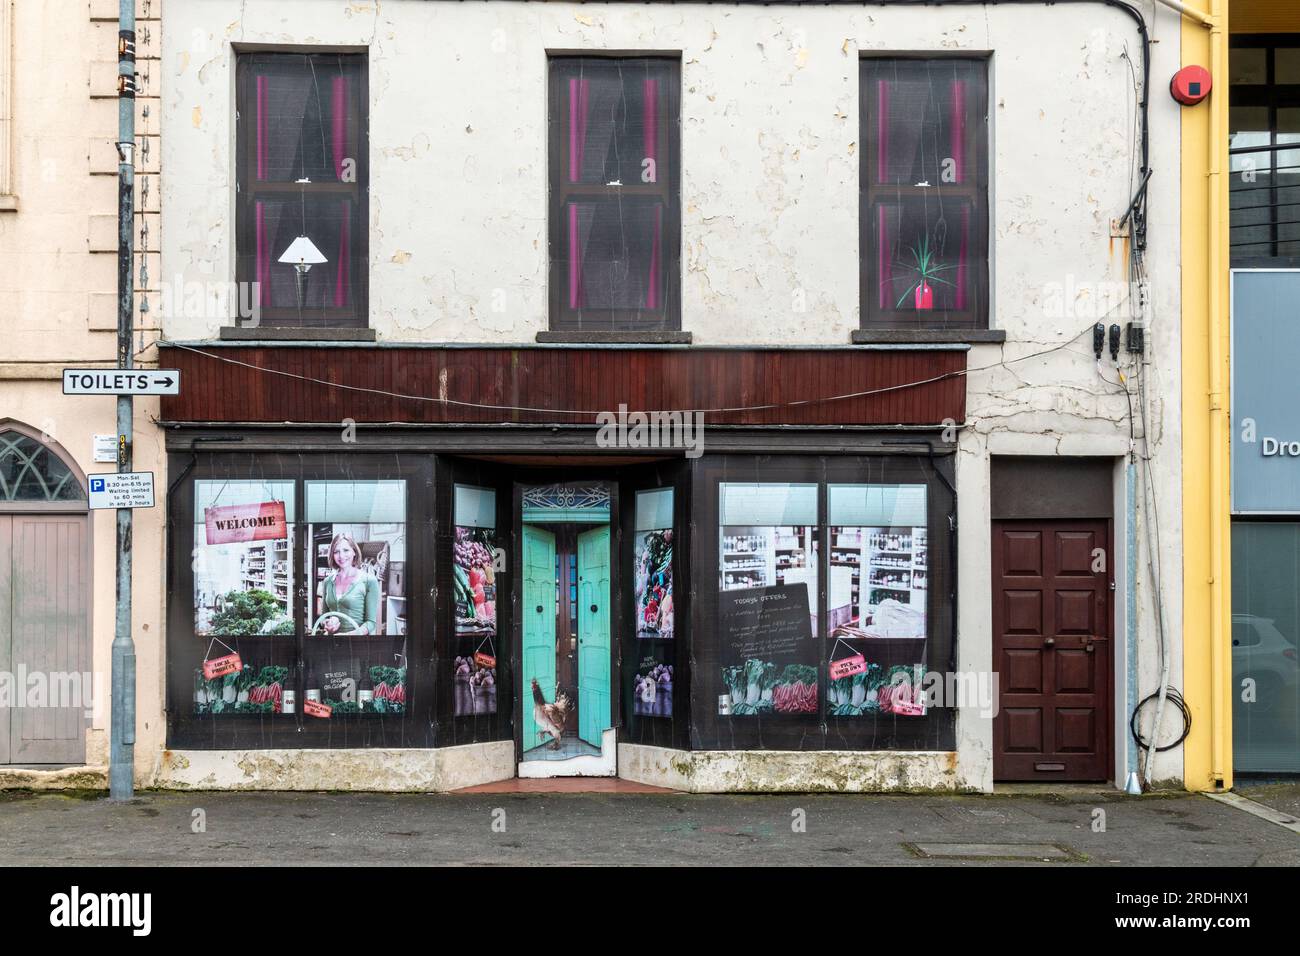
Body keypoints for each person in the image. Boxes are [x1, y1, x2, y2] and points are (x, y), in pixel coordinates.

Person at [316, 533, 379, 636]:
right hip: (332, 643)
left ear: (354, 551)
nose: (341, 556)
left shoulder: (369, 581)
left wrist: (348, 635)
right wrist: (326, 624)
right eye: (336, 552)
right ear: (332, 554)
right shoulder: (327, 581)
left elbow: (371, 623)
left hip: (356, 646)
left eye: (346, 550)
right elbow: (324, 617)